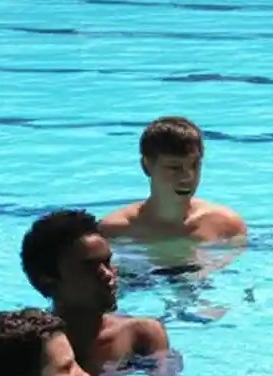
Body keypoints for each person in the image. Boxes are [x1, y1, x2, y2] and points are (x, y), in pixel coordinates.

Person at [21, 209, 171, 376]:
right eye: (89, 267)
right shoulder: (33, 345)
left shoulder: (140, 335)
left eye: (107, 262)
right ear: (48, 281)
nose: (108, 274)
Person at [99, 116, 247, 272]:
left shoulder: (227, 226)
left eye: (195, 165)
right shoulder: (113, 231)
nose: (187, 177)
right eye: (175, 167)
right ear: (146, 166)